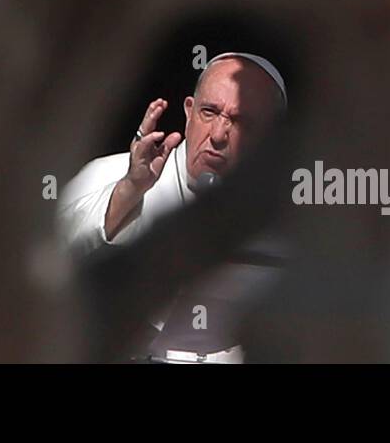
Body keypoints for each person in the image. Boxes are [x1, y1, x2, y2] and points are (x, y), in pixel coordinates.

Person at [57, 52, 288, 362]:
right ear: (189, 111)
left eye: (240, 121)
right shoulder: (109, 176)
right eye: (209, 112)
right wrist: (129, 191)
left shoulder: (294, 217)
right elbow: (51, 265)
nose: (218, 135)